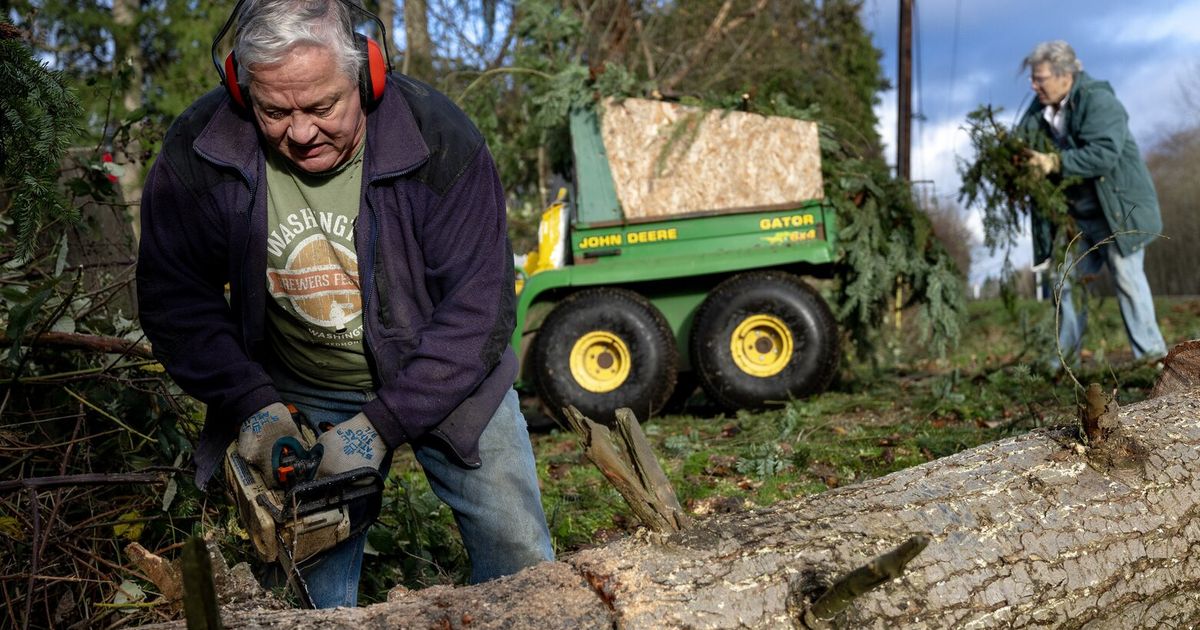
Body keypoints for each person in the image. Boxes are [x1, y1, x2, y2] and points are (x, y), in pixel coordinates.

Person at [136, 0, 553, 608]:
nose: (300, 133)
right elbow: (175, 299)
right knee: (311, 603)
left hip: (449, 377)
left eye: (321, 106)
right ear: (240, 86)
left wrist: (382, 425)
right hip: (301, 391)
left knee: (522, 565)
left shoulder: (439, 139)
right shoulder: (201, 150)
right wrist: (253, 403)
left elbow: (479, 311)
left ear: (367, 73)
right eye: (274, 110)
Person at [1017, 40, 1167, 369]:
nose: (1033, 85)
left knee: (1127, 281)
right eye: (1033, 78)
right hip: (1079, 218)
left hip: (1118, 212)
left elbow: (1103, 154)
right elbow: (1023, 142)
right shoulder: (1039, 110)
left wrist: (1053, 163)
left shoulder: (1098, 100)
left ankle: (1152, 361)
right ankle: (1063, 364)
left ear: (1065, 75)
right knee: (1066, 283)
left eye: (1040, 78)